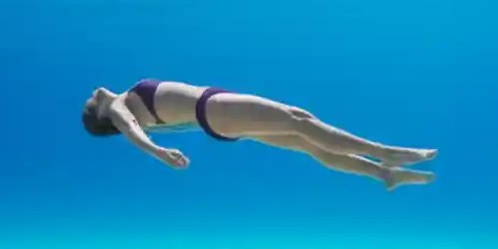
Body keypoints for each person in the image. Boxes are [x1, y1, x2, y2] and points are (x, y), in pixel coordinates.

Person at [81, 80, 436, 191]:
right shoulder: (120, 108)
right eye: (89, 105)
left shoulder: (126, 103)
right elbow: (131, 130)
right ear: (100, 115)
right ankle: (385, 153)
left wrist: (159, 150)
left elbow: (134, 127)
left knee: (306, 141)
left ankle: (382, 173)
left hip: (217, 118)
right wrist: (159, 152)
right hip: (213, 110)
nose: (92, 95)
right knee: (299, 121)